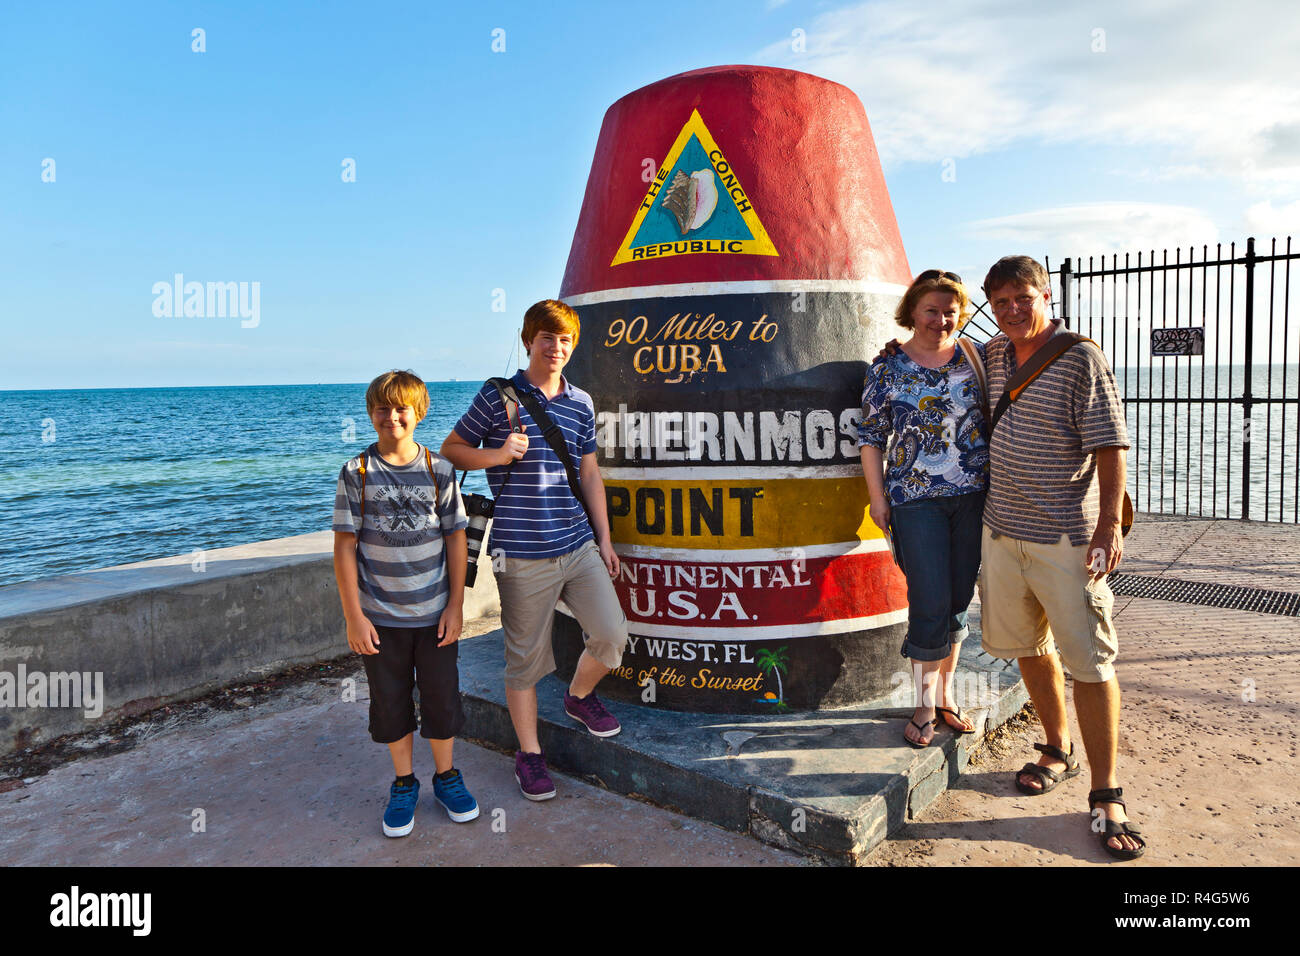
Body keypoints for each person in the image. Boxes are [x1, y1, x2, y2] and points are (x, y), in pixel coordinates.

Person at [979, 255, 1145, 860]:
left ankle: (1107, 791)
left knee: (1091, 663)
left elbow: (1110, 444)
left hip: (1066, 539)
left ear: (1045, 294)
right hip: (1001, 533)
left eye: (1022, 297)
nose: (1012, 310)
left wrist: (1109, 527)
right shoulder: (995, 355)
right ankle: (1057, 749)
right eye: (999, 302)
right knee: (1028, 647)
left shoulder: (1079, 356)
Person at [441, 299, 628, 802]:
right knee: (525, 660)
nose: (556, 347)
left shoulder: (581, 402)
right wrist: (498, 455)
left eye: (565, 339)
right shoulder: (499, 395)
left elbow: (589, 472)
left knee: (611, 635)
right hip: (521, 553)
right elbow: (451, 449)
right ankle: (530, 754)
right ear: (528, 341)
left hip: (577, 542)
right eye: (547, 338)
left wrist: (604, 539)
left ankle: (578, 696)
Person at [331, 369, 474, 838]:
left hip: (435, 616)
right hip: (380, 620)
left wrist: (455, 606)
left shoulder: (440, 471)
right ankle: (404, 782)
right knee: (390, 703)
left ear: (418, 414)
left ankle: (447, 776)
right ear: (371, 413)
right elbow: (345, 547)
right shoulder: (357, 473)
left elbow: (456, 539)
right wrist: (354, 615)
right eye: (382, 408)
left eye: (401, 408)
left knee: (441, 699)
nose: (391, 416)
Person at [859, 270, 988, 748]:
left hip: (974, 496)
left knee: (956, 600)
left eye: (951, 309)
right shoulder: (887, 367)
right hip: (915, 499)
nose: (942, 318)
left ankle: (947, 695)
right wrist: (878, 500)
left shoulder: (976, 357)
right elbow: (872, 437)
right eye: (931, 309)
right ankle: (923, 703)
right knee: (928, 600)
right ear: (912, 311)